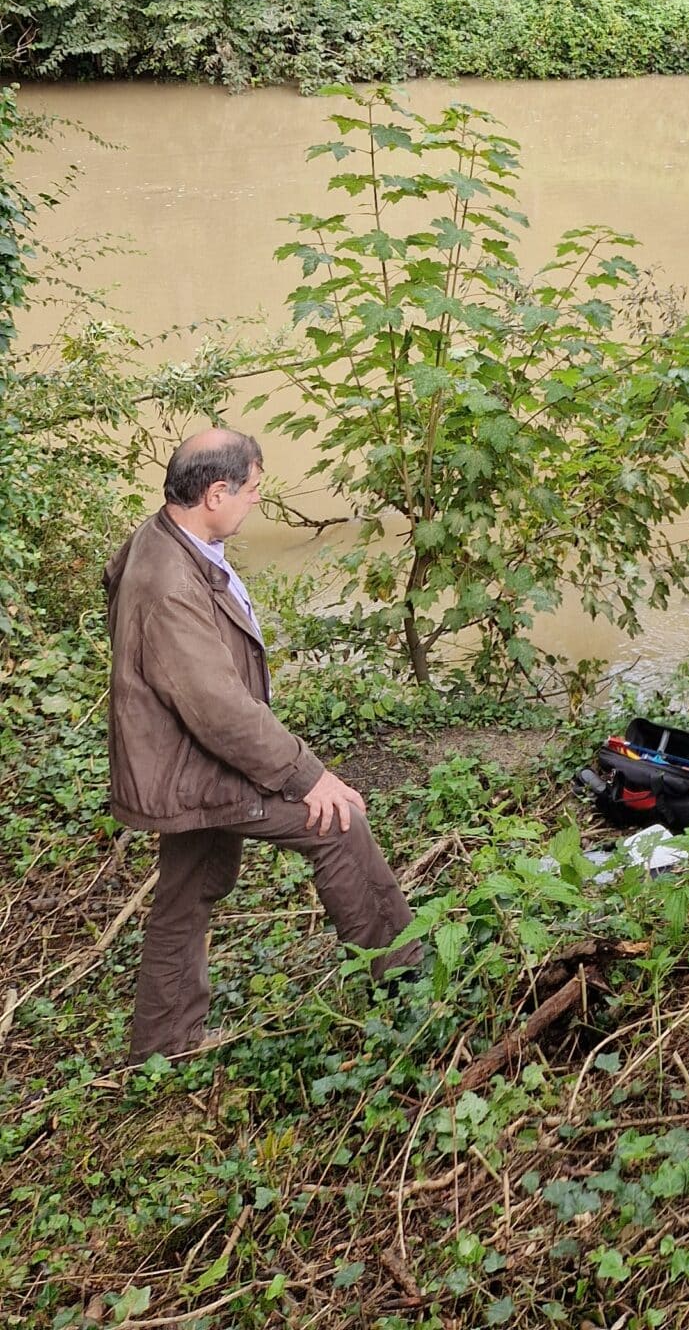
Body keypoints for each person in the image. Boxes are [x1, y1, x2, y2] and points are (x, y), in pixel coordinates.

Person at [106, 428, 420, 1063]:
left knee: (188, 891)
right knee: (337, 822)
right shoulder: (170, 584)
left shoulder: (167, 537)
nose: (256, 500)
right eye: (251, 489)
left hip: (179, 760)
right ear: (215, 493)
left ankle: (161, 1049)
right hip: (197, 766)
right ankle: (409, 988)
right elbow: (218, 710)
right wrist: (308, 776)